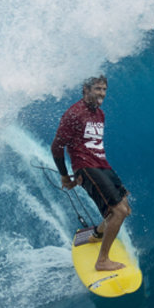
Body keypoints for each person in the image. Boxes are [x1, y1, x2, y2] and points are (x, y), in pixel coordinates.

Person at [51, 75, 131, 271]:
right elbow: (57, 147)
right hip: (86, 167)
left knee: (125, 209)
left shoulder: (99, 114)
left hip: (102, 164)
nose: (102, 93)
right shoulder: (74, 114)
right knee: (117, 212)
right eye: (97, 89)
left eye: (104, 89)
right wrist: (65, 175)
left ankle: (96, 234)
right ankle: (102, 260)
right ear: (86, 90)